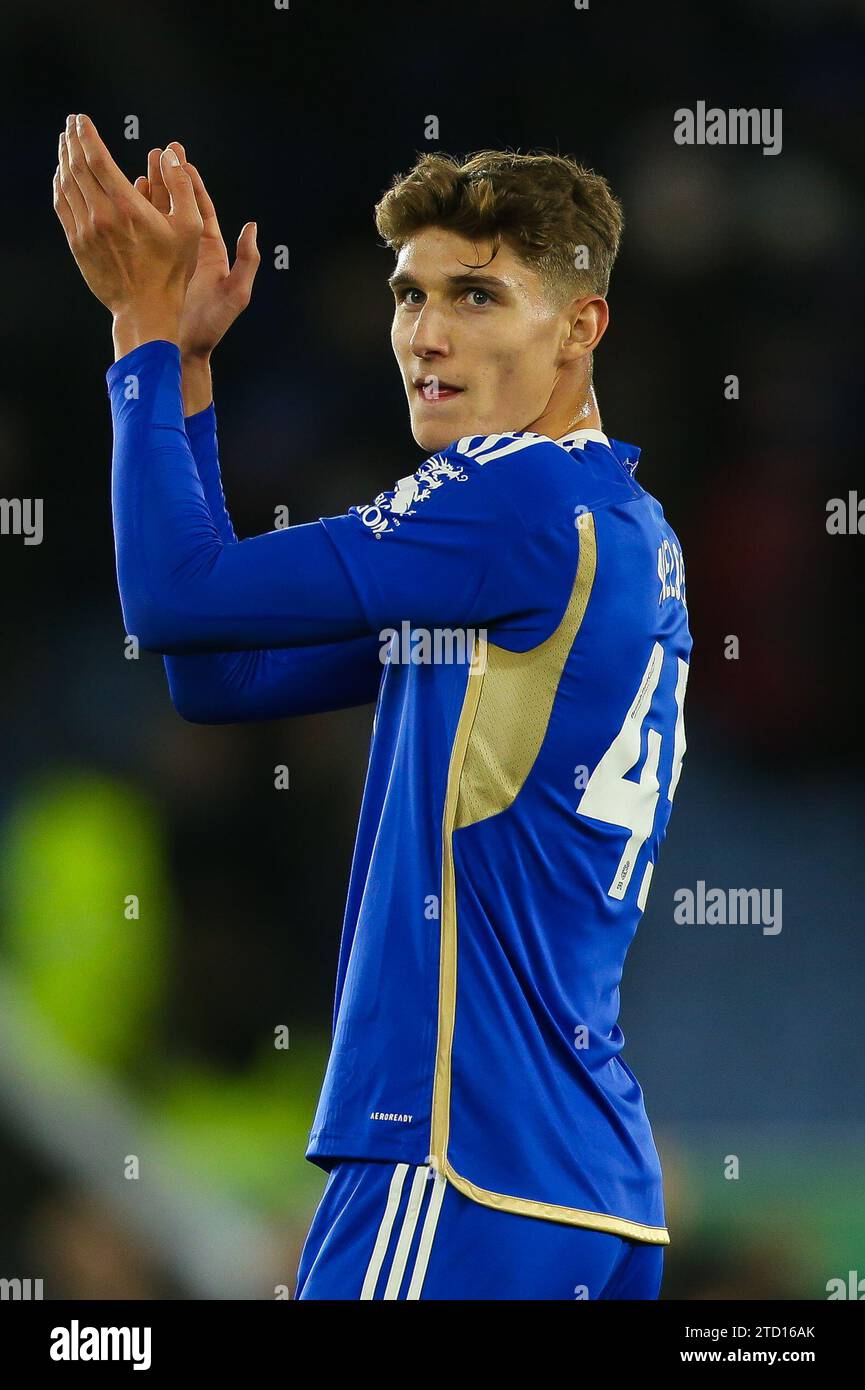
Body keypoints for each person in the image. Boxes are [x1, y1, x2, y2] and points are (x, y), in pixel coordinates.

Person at [54, 113, 691, 1300]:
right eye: (408, 296)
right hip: (590, 1201)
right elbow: (220, 674)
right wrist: (192, 374)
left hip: (450, 1166)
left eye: (477, 297)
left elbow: (173, 598)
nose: (426, 336)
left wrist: (139, 335)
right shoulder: (620, 531)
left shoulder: (508, 500)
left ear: (580, 328)